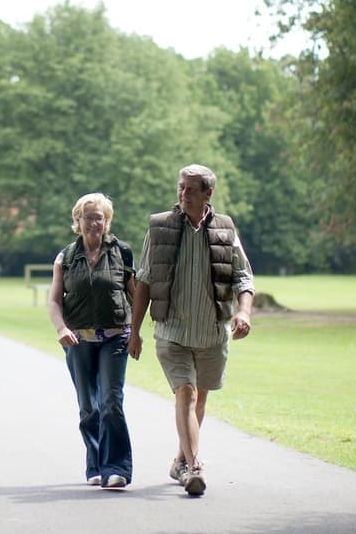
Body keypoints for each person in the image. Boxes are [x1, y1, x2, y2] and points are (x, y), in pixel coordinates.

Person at [128, 165, 255, 497]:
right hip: (172, 331)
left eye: (191, 189)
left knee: (199, 400)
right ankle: (194, 467)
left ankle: (180, 461)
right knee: (186, 394)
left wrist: (243, 311)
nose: (183, 194)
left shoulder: (225, 229)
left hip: (212, 333)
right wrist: (134, 331)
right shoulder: (160, 228)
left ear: (208, 193)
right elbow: (144, 280)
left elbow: (243, 277)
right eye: (181, 187)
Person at [48, 193, 136, 490]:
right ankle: (96, 465)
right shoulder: (66, 257)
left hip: (115, 338)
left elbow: (136, 296)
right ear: (78, 220)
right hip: (78, 340)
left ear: (107, 221)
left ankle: (117, 469)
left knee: (111, 402)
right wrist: (61, 328)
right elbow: (54, 301)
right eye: (88, 217)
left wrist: (136, 332)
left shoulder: (122, 253)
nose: (93, 223)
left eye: (99, 217)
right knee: (89, 407)